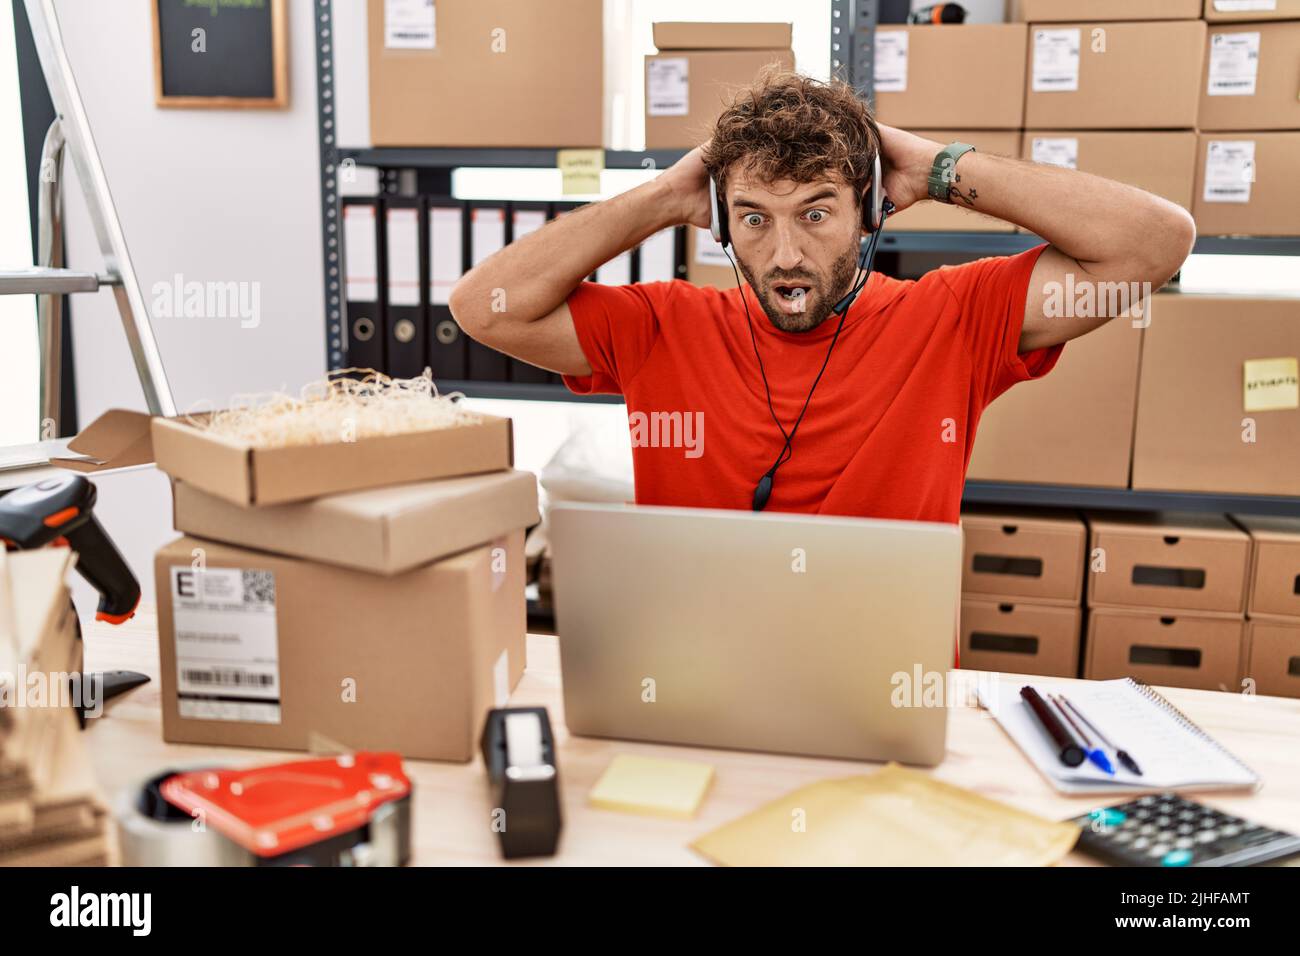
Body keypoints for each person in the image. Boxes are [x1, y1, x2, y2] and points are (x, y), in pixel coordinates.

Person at [449, 70, 1194, 523]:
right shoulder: (662, 326)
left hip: (891, 702)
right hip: (698, 696)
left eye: (814, 212)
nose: (785, 256)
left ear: (868, 210)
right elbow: (485, 307)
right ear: (719, 221)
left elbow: (1152, 245)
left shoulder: (953, 320)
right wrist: (666, 195)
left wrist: (937, 169)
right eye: (752, 218)